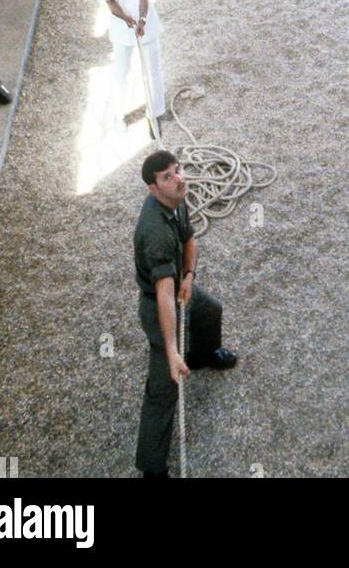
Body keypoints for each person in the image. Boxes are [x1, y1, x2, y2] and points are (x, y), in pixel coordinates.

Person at [134, 150, 237, 478]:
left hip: (179, 285)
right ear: (153, 188)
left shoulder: (177, 198)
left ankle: (204, 355)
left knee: (209, 310)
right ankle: (151, 467)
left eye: (177, 170)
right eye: (167, 176)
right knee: (164, 387)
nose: (179, 178)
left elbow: (190, 238)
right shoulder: (157, 232)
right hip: (159, 305)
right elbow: (164, 297)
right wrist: (171, 350)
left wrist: (189, 277)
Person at [97, 0, 166, 130]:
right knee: (121, 72)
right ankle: (119, 115)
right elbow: (110, 3)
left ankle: (155, 115)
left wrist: (142, 20)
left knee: (153, 72)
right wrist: (127, 19)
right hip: (121, 28)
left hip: (146, 26)